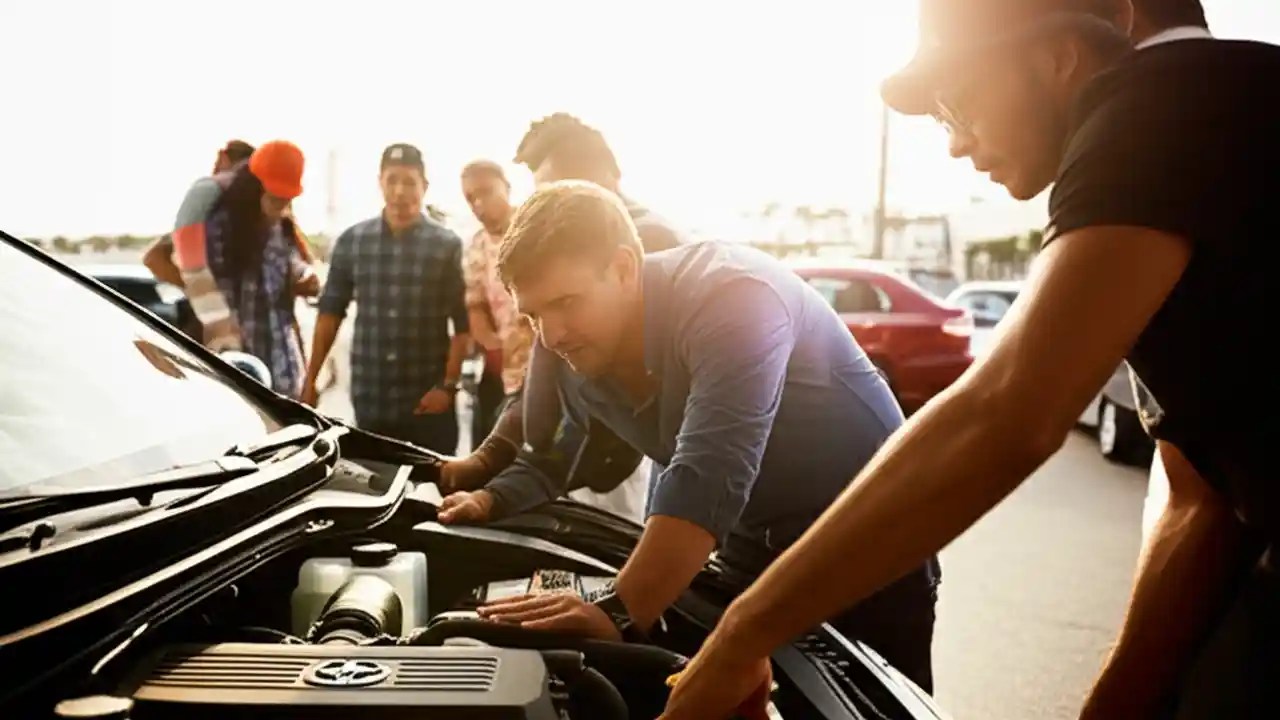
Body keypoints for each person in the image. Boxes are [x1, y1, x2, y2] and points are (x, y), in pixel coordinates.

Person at [661, 1, 1279, 718]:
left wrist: (741, 633)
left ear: (1058, 57)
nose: (954, 142)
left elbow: (1003, 411)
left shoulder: (1158, 99)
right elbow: (1201, 495)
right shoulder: (1218, 130)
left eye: (956, 101)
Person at [453, 180, 940, 691]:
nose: (550, 335)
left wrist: (618, 610)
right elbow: (551, 454)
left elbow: (708, 471)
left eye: (565, 302)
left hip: (875, 546)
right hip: (750, 548)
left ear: (623, 269)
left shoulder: (734, 295)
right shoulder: (569, 343)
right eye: (533, 315)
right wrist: (487, 500)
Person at [440, 113, 683, 523]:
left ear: (604, 175)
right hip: (566, 465)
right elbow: (546, 364)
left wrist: (510, 469)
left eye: (560, 189)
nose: (549, 208)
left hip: (609, 469)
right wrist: (490, 459)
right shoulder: (564, 256)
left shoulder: (646, 242)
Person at [302, 143, 471, 454]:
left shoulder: (446, 245)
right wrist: (311, 380)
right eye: (392, 180)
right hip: (371, 400)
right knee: (375, 490)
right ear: (380, 181)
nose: (399, 191)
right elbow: (330, 313)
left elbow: (463, 323)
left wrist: (447, 387)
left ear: (425, 186)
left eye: (409, 182)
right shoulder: (353, 242)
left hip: (427, 403)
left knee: (436, 494)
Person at [200, 140, 313, 397]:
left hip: (286, 378)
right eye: (274, 194)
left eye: (286, 197)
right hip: (237, 376)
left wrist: (306, 277)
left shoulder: (283, 229)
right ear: (254, 184)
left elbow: (293, 278)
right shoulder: (218, 226)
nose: (280, 201)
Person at [459, 160, 531, 442]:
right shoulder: (477, 244)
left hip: (547, 365)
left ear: (507, 186)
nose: (478, 203)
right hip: (505, 372)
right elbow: (474, 305)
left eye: (486, 192)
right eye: (470, 198)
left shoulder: (533, 228)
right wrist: (492, 345)